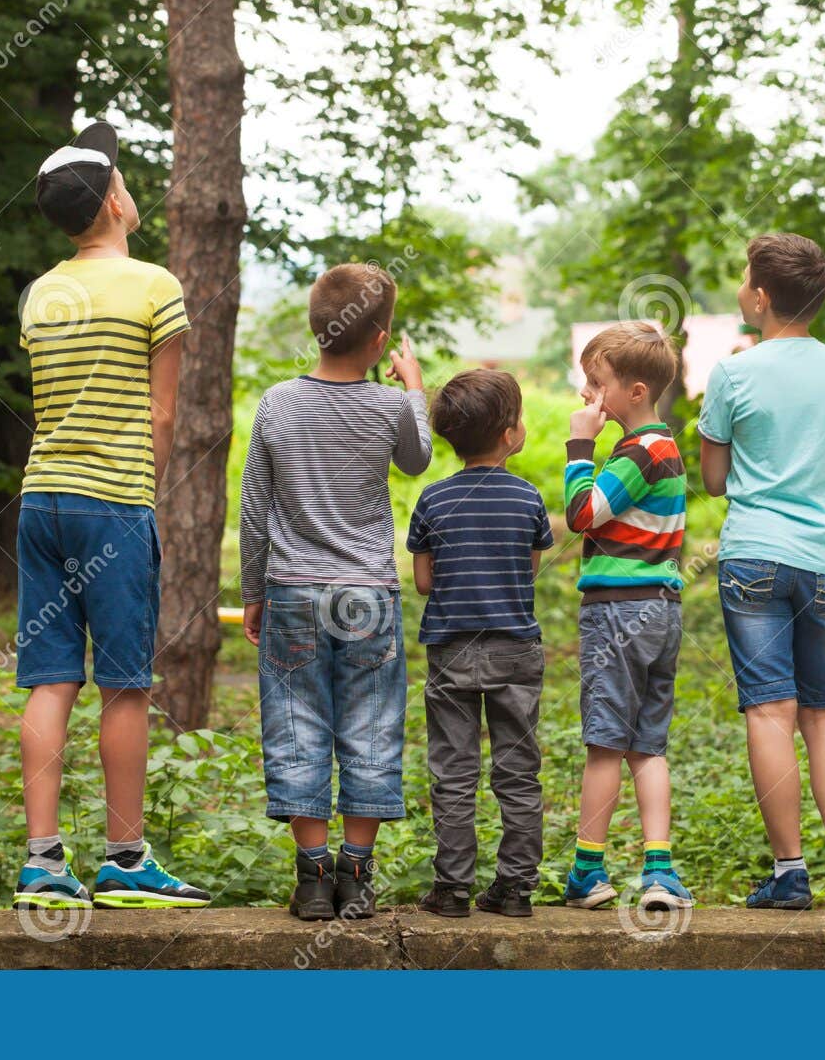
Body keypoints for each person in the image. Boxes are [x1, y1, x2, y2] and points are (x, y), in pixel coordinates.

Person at [12, 121, 211, 911]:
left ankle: (41, 861)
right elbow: (163, 415)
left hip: (39, 501)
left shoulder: (40, 295)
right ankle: (125, 858)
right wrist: (146, 491)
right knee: (124, 684)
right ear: (118, 201)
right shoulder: (155, 286)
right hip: (113, 505)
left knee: (50, 677)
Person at [699, 233, 825, 912]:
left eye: (742, 280)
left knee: (769, 711)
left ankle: (791, 873)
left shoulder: (734, 373)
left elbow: (715, 479)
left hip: (754, 556)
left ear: (760, 297)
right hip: (824, 563)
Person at [239, 262, 431, 921]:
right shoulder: (386, 405)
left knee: (297, 729)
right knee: (370, 730)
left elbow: (254, 506)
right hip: (366, 595)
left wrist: (252, 591)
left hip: (291, 590)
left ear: (316, 329)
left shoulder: (276, 403)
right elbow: (418, 458)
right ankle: (358, 877)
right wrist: (413, 389)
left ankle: (313, 880)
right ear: (380, 341)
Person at [410, 370, 553, 919]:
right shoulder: (528, 498)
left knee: (454, 772)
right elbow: (530, 571)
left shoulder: (433, 499)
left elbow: (424, 583)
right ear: (511, 434)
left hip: (452, 650)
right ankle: (515, 889)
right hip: (516, 648)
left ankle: (451, 890)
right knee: (518, 772)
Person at [561, 321, 692, 912]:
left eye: (598, 383)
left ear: (635, 392)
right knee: (648, 746)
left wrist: (579, 447)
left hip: (618, 612)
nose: (590, 394)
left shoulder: (639, 453)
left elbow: (583, 513)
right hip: (661, 611)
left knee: (605, 745)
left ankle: (589, 868)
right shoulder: (665, 447)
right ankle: (659, 870)